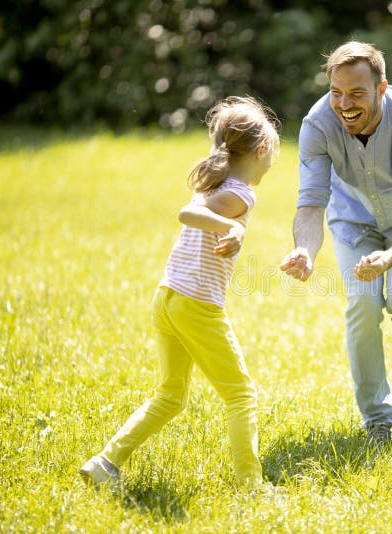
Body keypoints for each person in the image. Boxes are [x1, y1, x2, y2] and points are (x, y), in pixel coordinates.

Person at [79, 96, 280, 489]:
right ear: (260, 151)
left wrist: (227, 226)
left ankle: (106, 463)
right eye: (272, 154)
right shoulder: (240, 193)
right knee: (241, 395)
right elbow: (187, 214)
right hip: (196, 306)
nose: (272, 163)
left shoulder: (217, 184)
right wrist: (234, 228)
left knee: (171, 395)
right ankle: (252, 486)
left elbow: (198, 209)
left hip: (168, 298)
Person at [280, 41, 392, 447]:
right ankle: (377, 418)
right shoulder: (317, 125)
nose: (344, 104)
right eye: (337, 92)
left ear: (381, 89)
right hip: (353, 222)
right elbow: (311, 202)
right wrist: (305, 249)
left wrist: (390, 257)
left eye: (357, 93)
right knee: (362, 302)